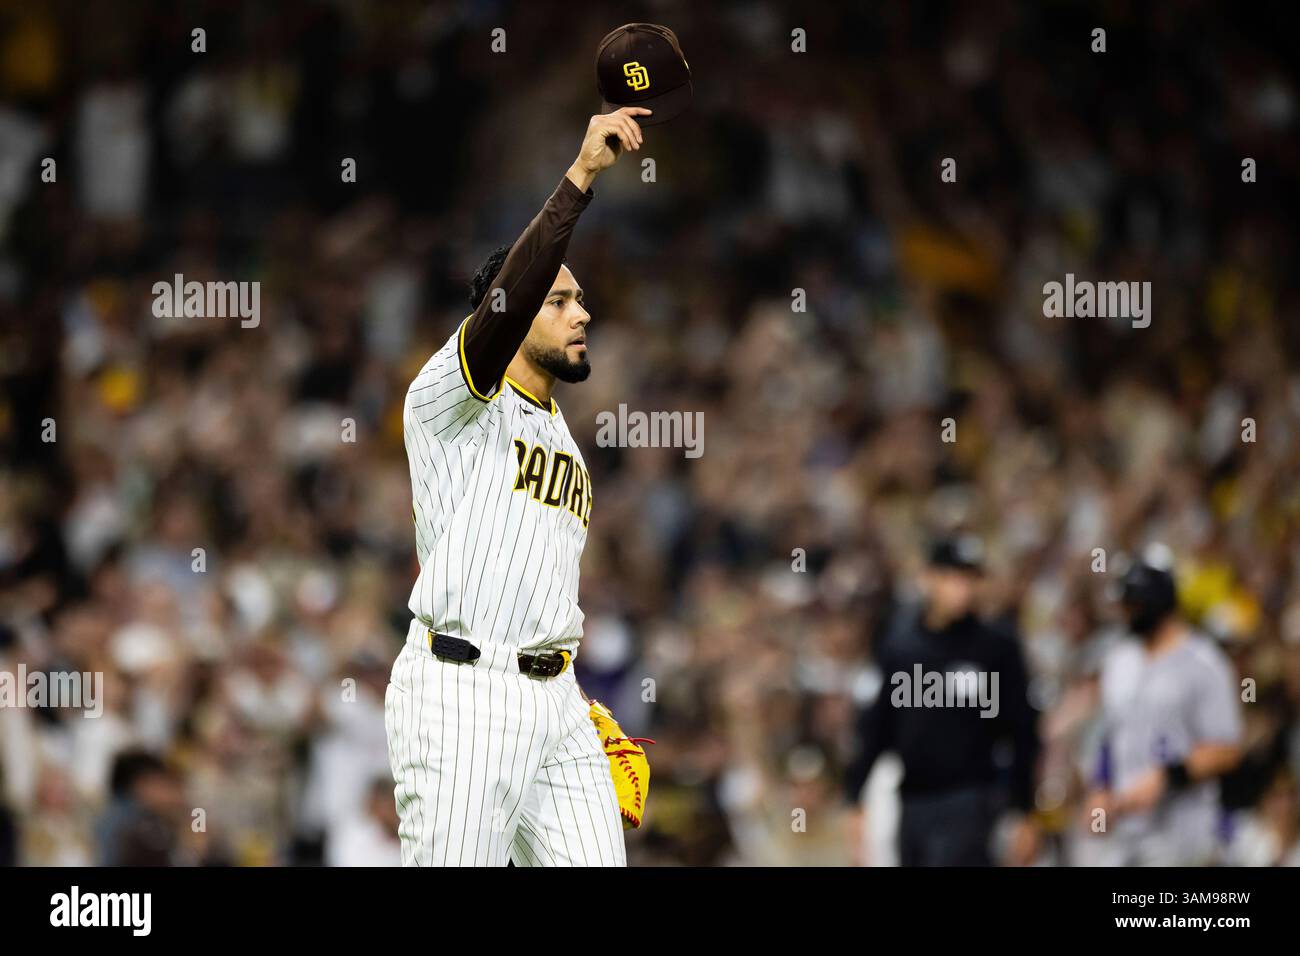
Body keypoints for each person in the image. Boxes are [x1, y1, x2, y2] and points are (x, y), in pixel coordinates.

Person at [384, 106, 652, 866]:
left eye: (579, 300)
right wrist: (582, 176)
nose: (583, 313)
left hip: (556, 701)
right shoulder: (448, 399)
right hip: (461, 691)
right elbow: (505, 305)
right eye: (560, 299)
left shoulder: (565, 441)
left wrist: (559, 688)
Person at [844, 535, 1041, 865]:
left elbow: (1023, 731)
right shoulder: (901, 647)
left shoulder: (996, 647)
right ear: (928, 578)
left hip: (971, 797)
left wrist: (1025, 809)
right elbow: (876, 727)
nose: (962, 588)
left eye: (970, 578)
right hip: (912, 800)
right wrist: (855, 798)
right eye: (952, 576)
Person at [1082, 545, 1243, 865]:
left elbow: (1227, 749)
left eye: (1133, 602)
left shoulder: (1205, 663)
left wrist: (1168, 777)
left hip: (1184, 829)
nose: (1125, 611)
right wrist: (1099, 787)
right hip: (1125, 830)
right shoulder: (1119, 660)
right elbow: (1111, 734)